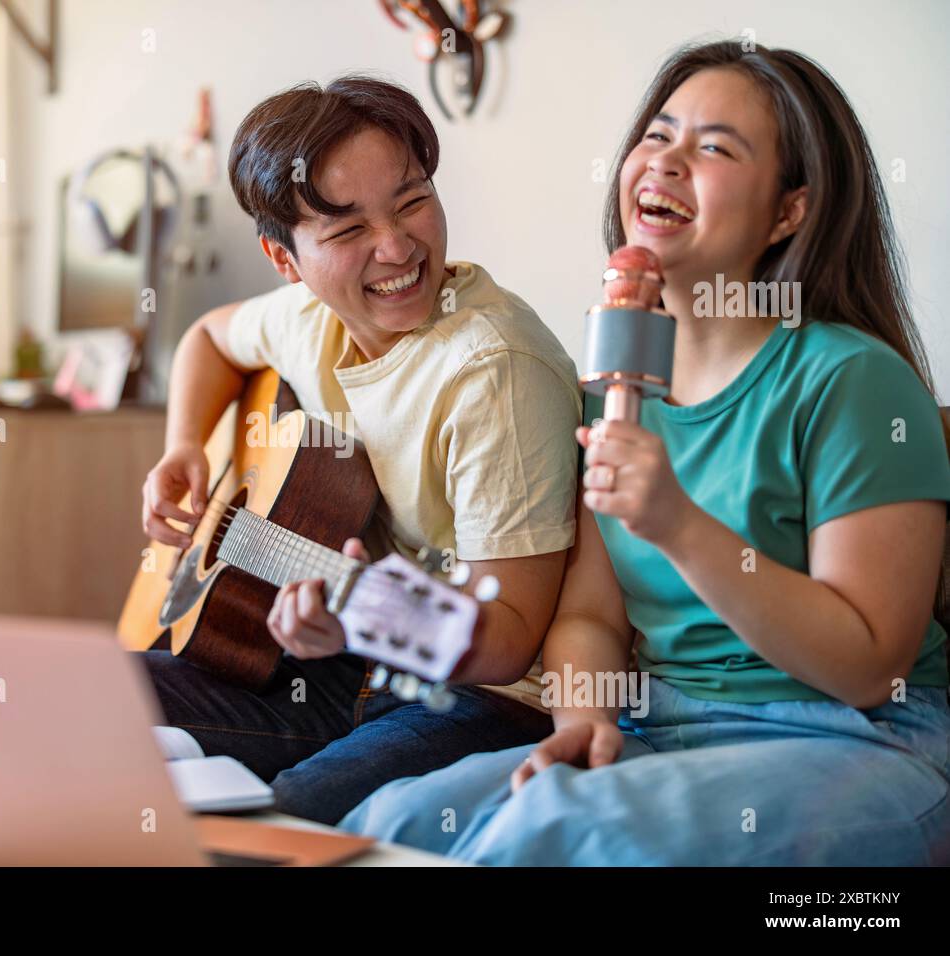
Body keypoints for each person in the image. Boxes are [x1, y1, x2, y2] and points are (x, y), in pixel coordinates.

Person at [342, 41, 950, 864]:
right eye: (658, 135)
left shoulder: (852, 381)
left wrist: (677, 523)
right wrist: (585, 723)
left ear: (788, 212)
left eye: (714, 147)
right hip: (657, 723)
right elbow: (591, 614)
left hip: (855, 740)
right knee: (393, 820)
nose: (665, 162)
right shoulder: (624, 380)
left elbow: (870, 666)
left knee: (561, 834)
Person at [139, 75, 582, 825]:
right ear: (286, 262)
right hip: (347, 663)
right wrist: (183, 447)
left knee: (281, 819)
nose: (397, 245)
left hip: (483, 699)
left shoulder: (494, 369)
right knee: (81, 703)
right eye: (347, 232)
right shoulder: (308, 320)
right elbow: (209, 337)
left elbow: (510, 640)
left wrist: (356, 619)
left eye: (412, 201)